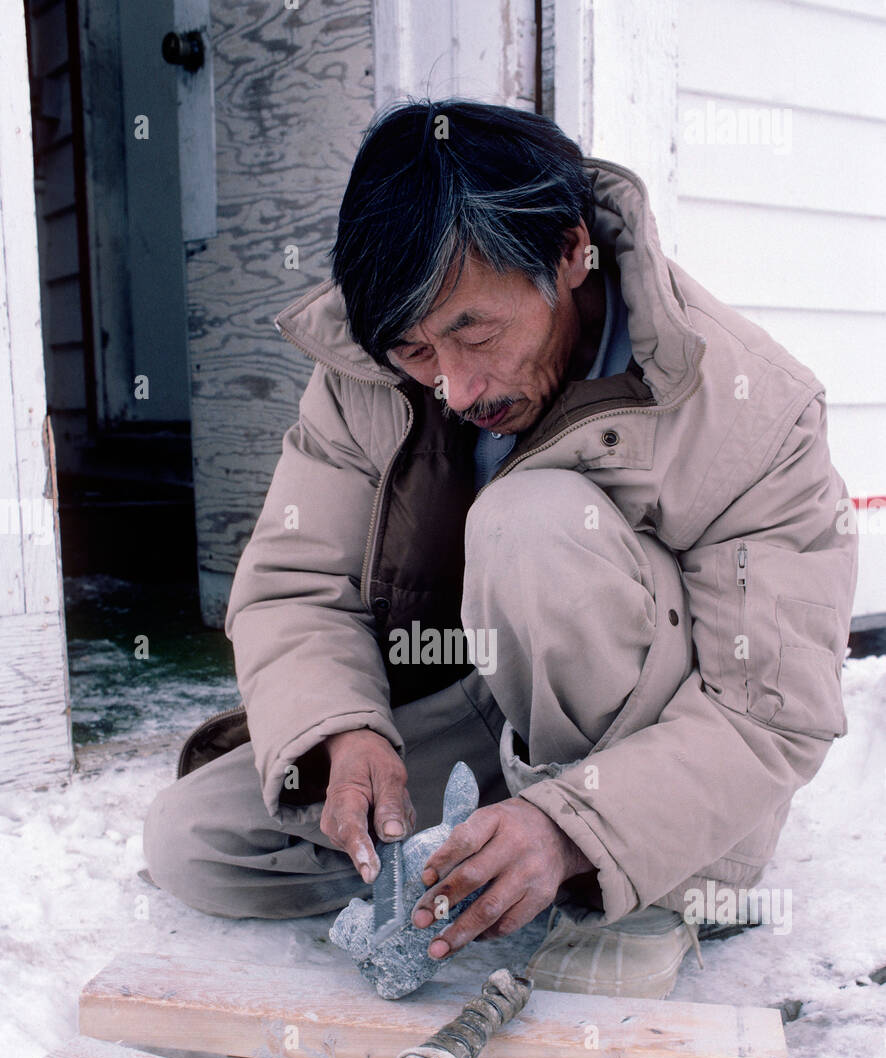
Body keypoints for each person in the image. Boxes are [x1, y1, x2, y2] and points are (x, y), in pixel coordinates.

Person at [144, 100, 857, 999]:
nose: (454, 386)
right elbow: (294, 583)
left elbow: (773, 715)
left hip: (658, 750)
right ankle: (485, 859)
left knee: (532, 523)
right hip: (485, 701)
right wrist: (343, 729)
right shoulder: (365, 375)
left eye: (475, 331)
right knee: (201, 844)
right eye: (414, 348)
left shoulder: (752, 404)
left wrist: (571, 825)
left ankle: (634, 889)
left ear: (568, 254)